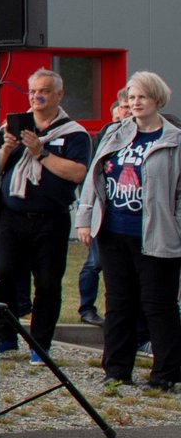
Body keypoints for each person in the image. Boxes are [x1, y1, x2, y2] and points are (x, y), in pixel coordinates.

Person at [74, 71, 181, 391]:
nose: (135, 103)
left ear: (157, 100)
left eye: (142, 97)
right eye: (131, 98)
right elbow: (95, 178)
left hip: (157, 236)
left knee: (158, 305)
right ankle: (117, 371)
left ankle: (165, 374)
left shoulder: (173, 140)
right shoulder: (115, 134)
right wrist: (85, 219)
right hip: (113, 232)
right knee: (118, 304)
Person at [0, 69, 90, 364]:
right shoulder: (15, 125)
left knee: (47, 283)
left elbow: (77, 172)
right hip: (13, 217)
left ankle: (40, 343)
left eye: (43, 91)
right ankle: (4, 338)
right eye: (32, 92)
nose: (37, 97)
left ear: (59, 94)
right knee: (3, 274)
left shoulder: (73, 133)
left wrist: (41, 153)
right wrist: (6, 150)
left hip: (51, 219)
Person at [77, 92, 133, 326]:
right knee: (94, 263)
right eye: (124, 107)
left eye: (130, 106)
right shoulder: (103, 139)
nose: (128, 111)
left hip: (130, 214)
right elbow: (89, 176)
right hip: (104, 214)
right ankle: (87, 308)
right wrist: (86, 216)